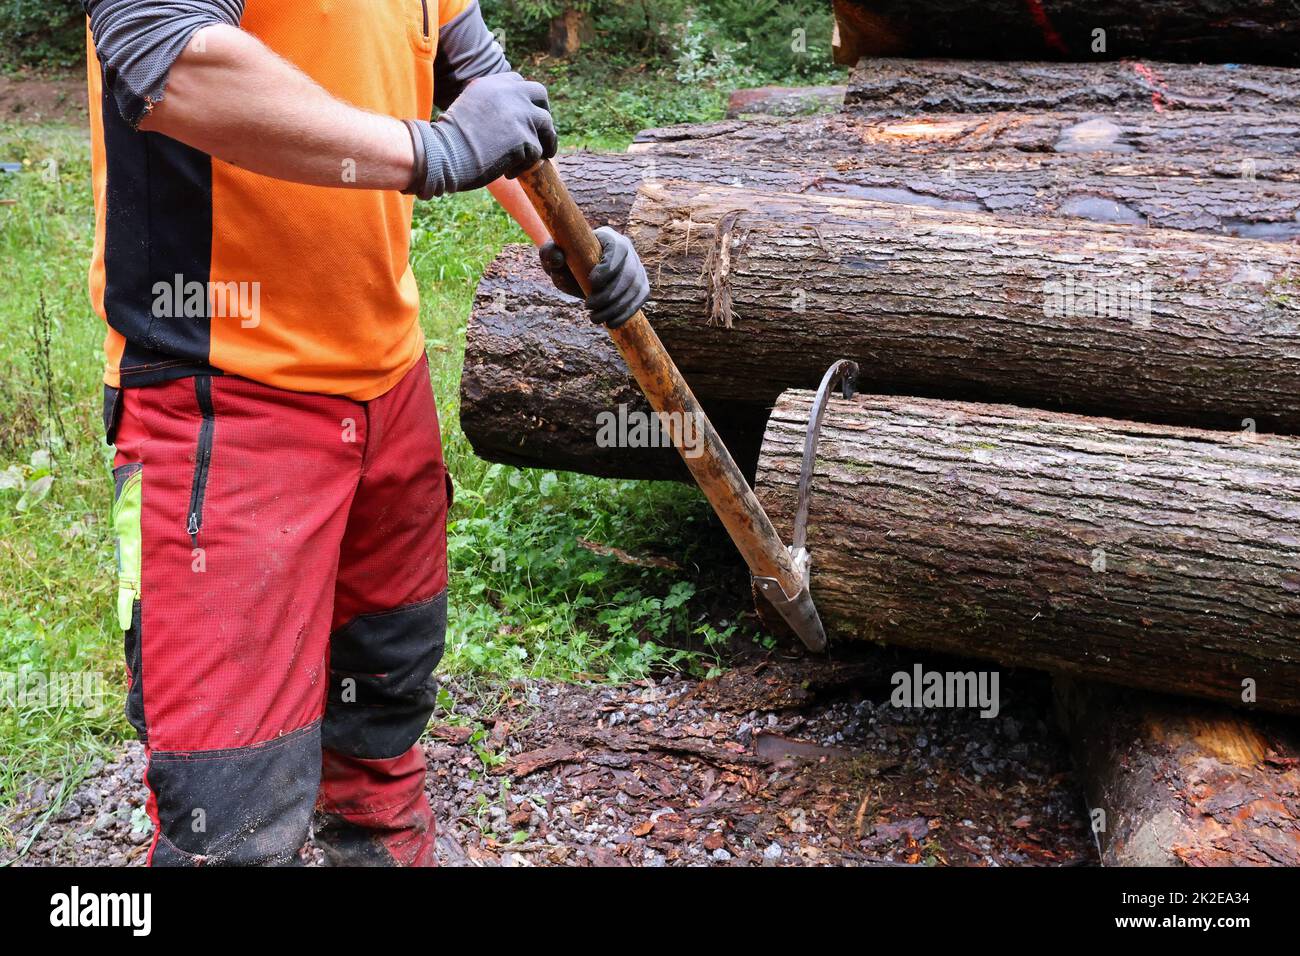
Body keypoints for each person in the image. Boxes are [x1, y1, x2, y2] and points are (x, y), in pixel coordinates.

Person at [83, 0, 649, 866]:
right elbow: (170, 65)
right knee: (226, 798)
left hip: (387, 383)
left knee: (381, 704)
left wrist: (569, 242)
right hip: (224, 393)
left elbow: (484, 88)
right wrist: (434, 152)